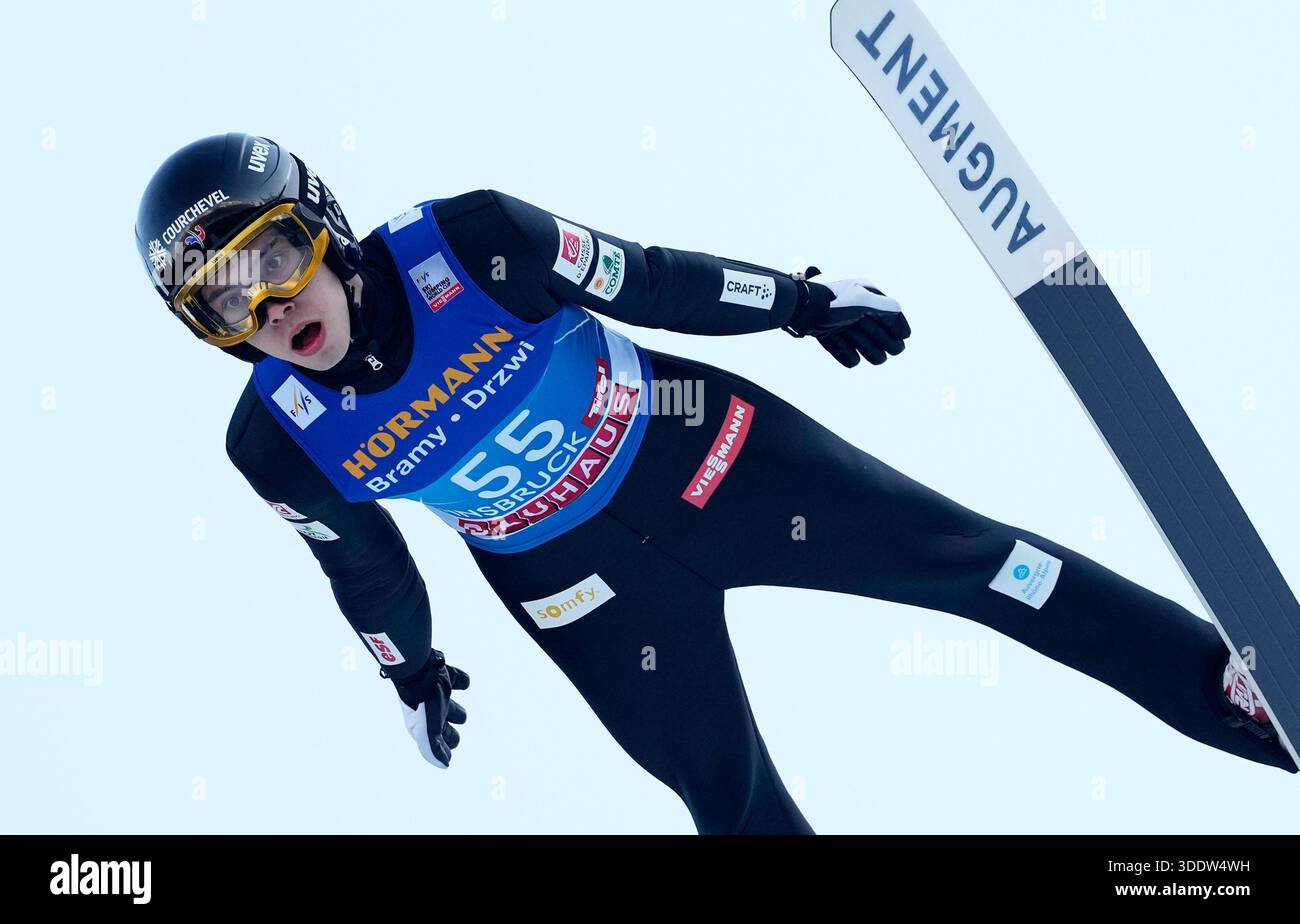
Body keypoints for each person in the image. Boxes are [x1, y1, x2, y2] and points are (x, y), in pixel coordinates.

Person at [134, 133, 1293, 834]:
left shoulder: (470, 244)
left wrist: (799, 301)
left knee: (979, 566)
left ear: (324, 227)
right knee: (728, 803)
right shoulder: (279, 442)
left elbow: (648, 279)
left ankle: (1234, 690)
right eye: (221, 303)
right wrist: (413, 668)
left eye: (273, 257)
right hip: (580, 593)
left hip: (715, 459)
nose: (269, 308)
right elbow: (368, 569)